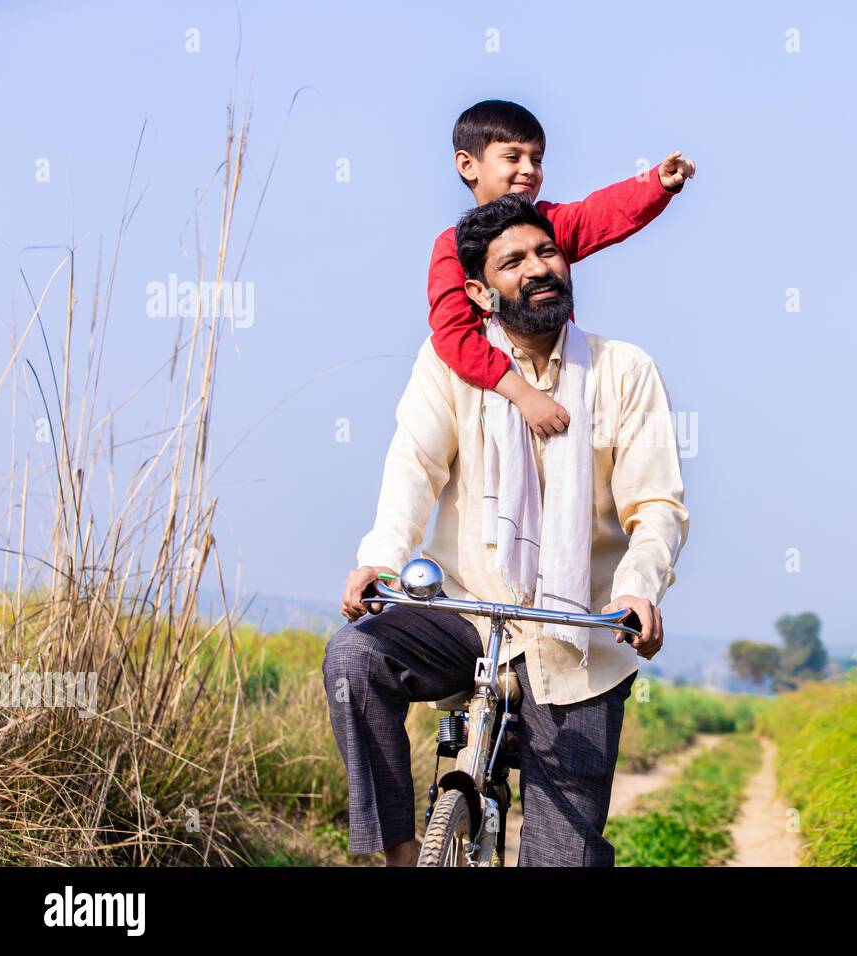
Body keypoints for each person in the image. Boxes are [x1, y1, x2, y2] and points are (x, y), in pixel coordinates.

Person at [325, 193, 689, 866]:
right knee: (355, 656)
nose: (538, 269)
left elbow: (656, 505)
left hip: (581, 636)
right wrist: (379, 559)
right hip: (466, 611)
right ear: (479, 291)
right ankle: (401, 854)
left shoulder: (623, 370)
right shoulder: (449, 365)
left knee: (561, 858)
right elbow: (415, 464)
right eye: (513, 261)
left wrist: (639, 589)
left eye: (547, 252)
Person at [429, 99, 695, 438]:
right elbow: (453, 335)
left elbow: (599, 213)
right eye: (513, 157)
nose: (528, 169)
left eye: (537, 159)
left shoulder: (549, 224)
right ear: (468, 165)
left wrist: (655, 183)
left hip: (562, 386)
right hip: (489, 405)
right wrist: (521, 394)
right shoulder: (452, 248)